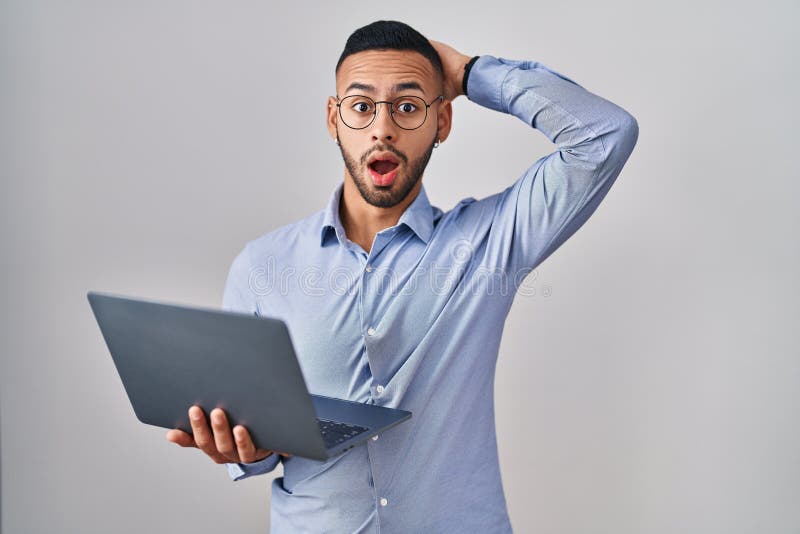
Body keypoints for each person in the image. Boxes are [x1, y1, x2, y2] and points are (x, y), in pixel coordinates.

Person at [166, 19, 638, 533]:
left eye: (409, 107)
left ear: (443, 123)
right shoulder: (262, 266)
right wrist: (245, 449)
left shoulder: (488, 243)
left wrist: (469, 72)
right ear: (333, 118)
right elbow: (253, 446)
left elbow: (604, 136)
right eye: (362, 106)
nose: (382, 129)